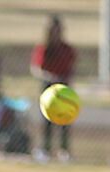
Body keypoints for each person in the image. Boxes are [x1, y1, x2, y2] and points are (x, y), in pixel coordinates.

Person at [30, 15, 77, 162]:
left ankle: (64, 151)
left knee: (64, 119)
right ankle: (45, 150)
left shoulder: (66, 49)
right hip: (48, 88)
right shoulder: (43, 48)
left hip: (64, 88)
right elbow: (36, 68)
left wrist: (66, 78)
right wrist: (51, 77)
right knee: (47, 120)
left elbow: (72, 66)